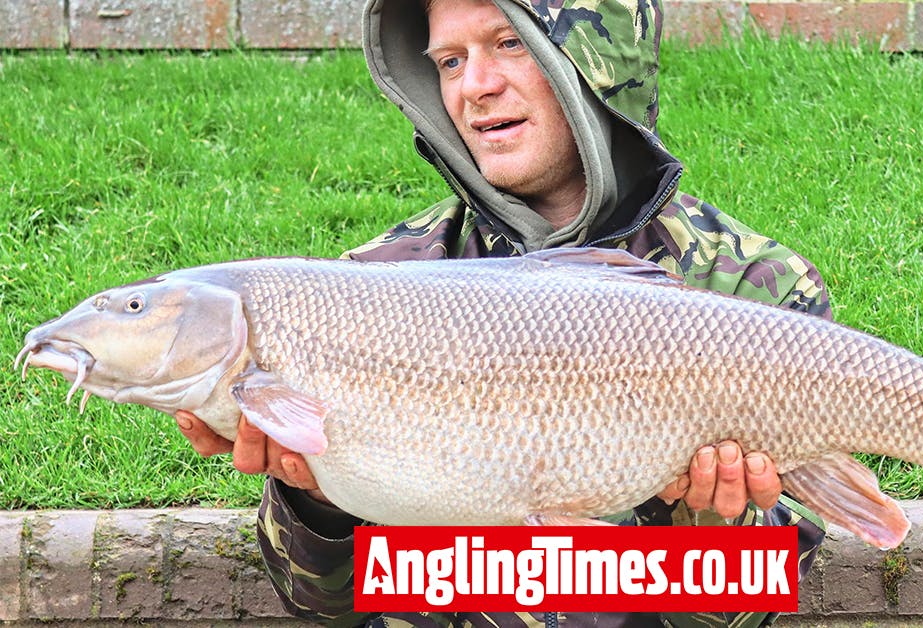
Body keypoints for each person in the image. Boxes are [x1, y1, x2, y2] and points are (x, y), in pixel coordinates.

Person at [175, 0, 832, 625]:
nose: (474, 87)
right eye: (450, 61)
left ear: (595, 61)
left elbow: (744, 614)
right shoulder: (372, 288)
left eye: (509, 44)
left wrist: (707, 517)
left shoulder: (752, 290)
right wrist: (316, 500)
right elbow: (321, 605)